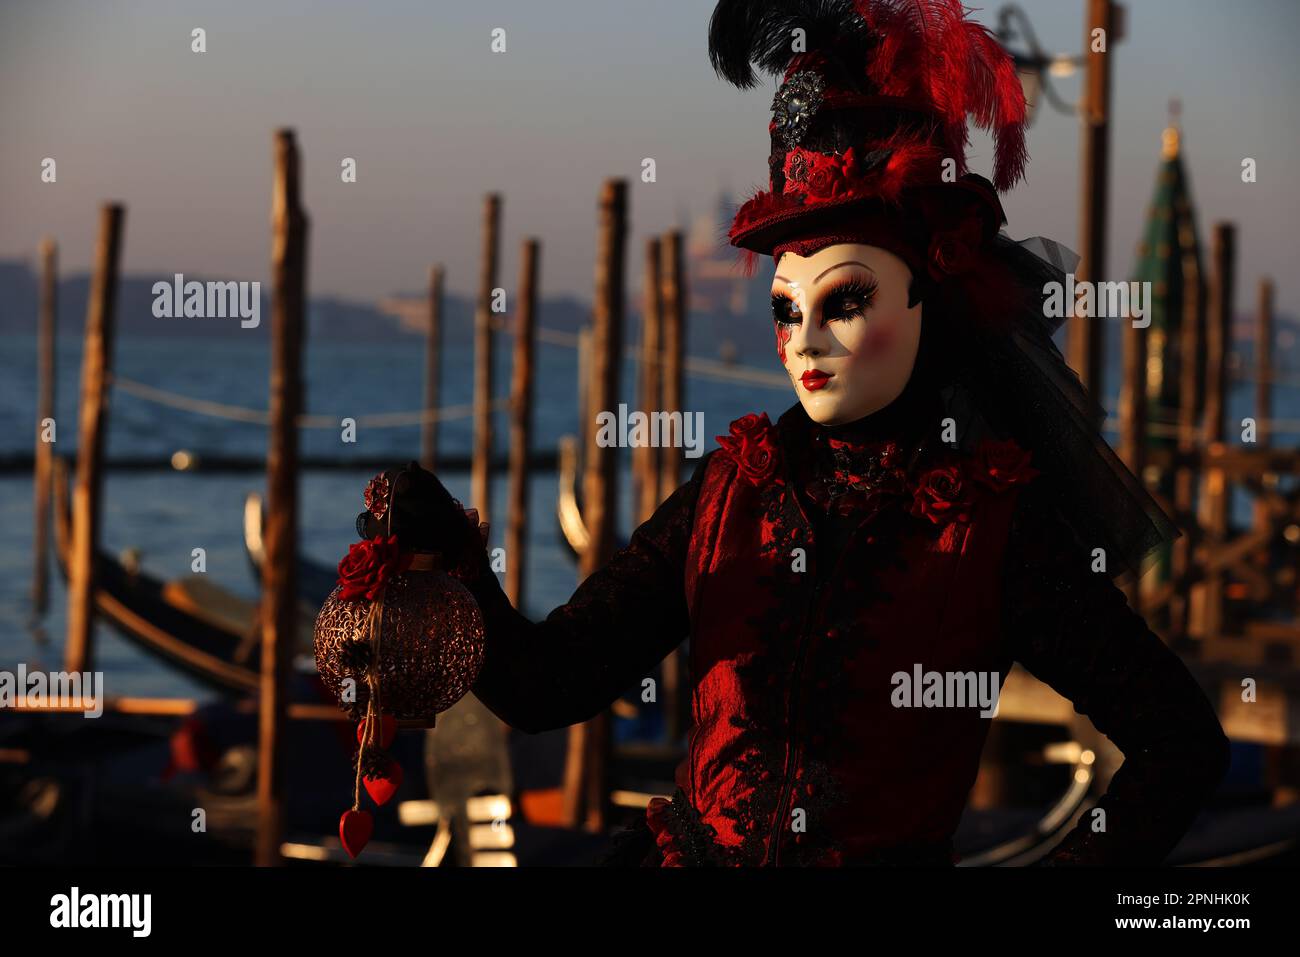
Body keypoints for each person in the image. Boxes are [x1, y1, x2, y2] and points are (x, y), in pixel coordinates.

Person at [358, 0, 1229, 866]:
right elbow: (552, 682)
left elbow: (1179, 742)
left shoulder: (993, 525)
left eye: (845, 300)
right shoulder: (727, 493)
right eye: (785, 309)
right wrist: (454, 560)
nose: (805, 341)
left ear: (929, 300)